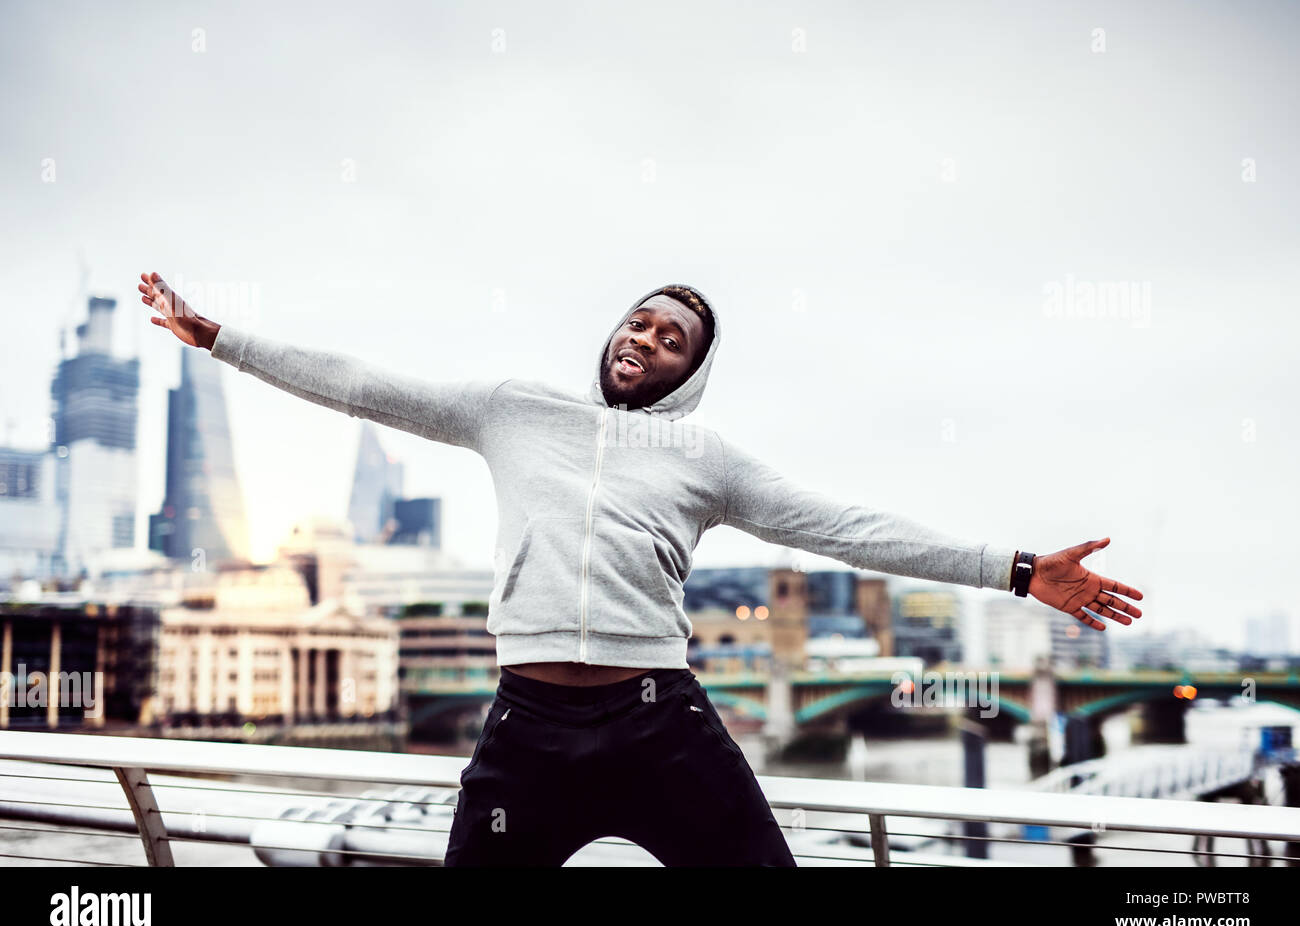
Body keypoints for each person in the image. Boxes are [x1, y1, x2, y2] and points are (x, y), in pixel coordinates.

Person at [139, 270, 1144, 867]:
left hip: (660, 721)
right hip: (526, 727)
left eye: (672, 340)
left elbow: (842, 526)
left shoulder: (705, 458)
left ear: (689, 370)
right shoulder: (512, 408)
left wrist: (1015, 567)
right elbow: (366, 385)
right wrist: (221, 339)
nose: (645, 341)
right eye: (639, 323)